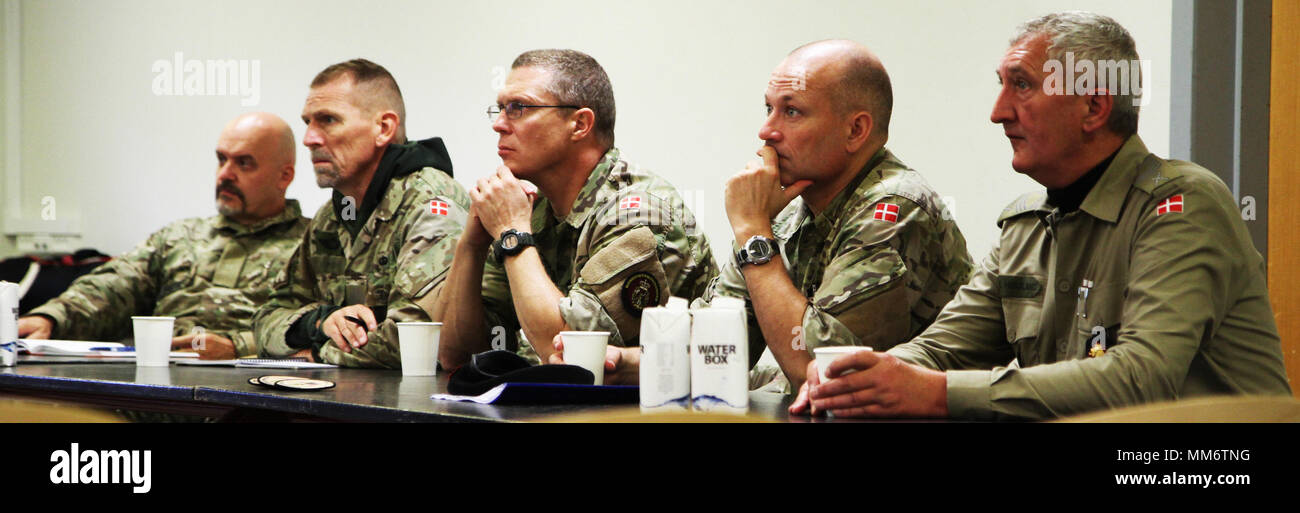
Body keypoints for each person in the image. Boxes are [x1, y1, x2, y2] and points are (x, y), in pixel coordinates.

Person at [792, 11, 1292, 420]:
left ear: (1093, 107)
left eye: (1022, 86)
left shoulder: (1181, 206)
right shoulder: (1028, 223)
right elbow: (942, 349)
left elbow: (1141, 379)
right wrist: (857, 376)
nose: (998, 111)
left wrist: (938, 393)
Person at [699, 40, 972, 392]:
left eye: (792, 111)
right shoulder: (785, 217)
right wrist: (618, 360)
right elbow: (712, 351)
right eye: (768, 108)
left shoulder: (895, 208)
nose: (767, 131)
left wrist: (752, 232)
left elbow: (816, 368)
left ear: (855, 131)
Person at [434, 49, 717, 380]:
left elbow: (568, 358)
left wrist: (512, 232)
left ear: (579, 124)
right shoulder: (532, 209)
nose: (499, 124)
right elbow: (454, 354)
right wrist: (473, 244)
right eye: (499, 109)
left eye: (518, 108)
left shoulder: (639, 213)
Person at [19, 112, 309, 359]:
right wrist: (51, 318)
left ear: (284, 176)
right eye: (221, 160)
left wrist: (238, 346)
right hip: (157, 385)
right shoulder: (180, 237)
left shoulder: (312, 244)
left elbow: (320, 329)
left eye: (244, 163)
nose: (225, 174)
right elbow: (114, 285)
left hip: (248, 393)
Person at [253, 59, 469, 368]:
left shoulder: (434, 203)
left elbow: (415, 342)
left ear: (383, 128)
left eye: (327, 120)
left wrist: (316, 354)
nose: (309, 138)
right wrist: (318, 322)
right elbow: (265, 319)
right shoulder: (333, 214)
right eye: (308, 122)